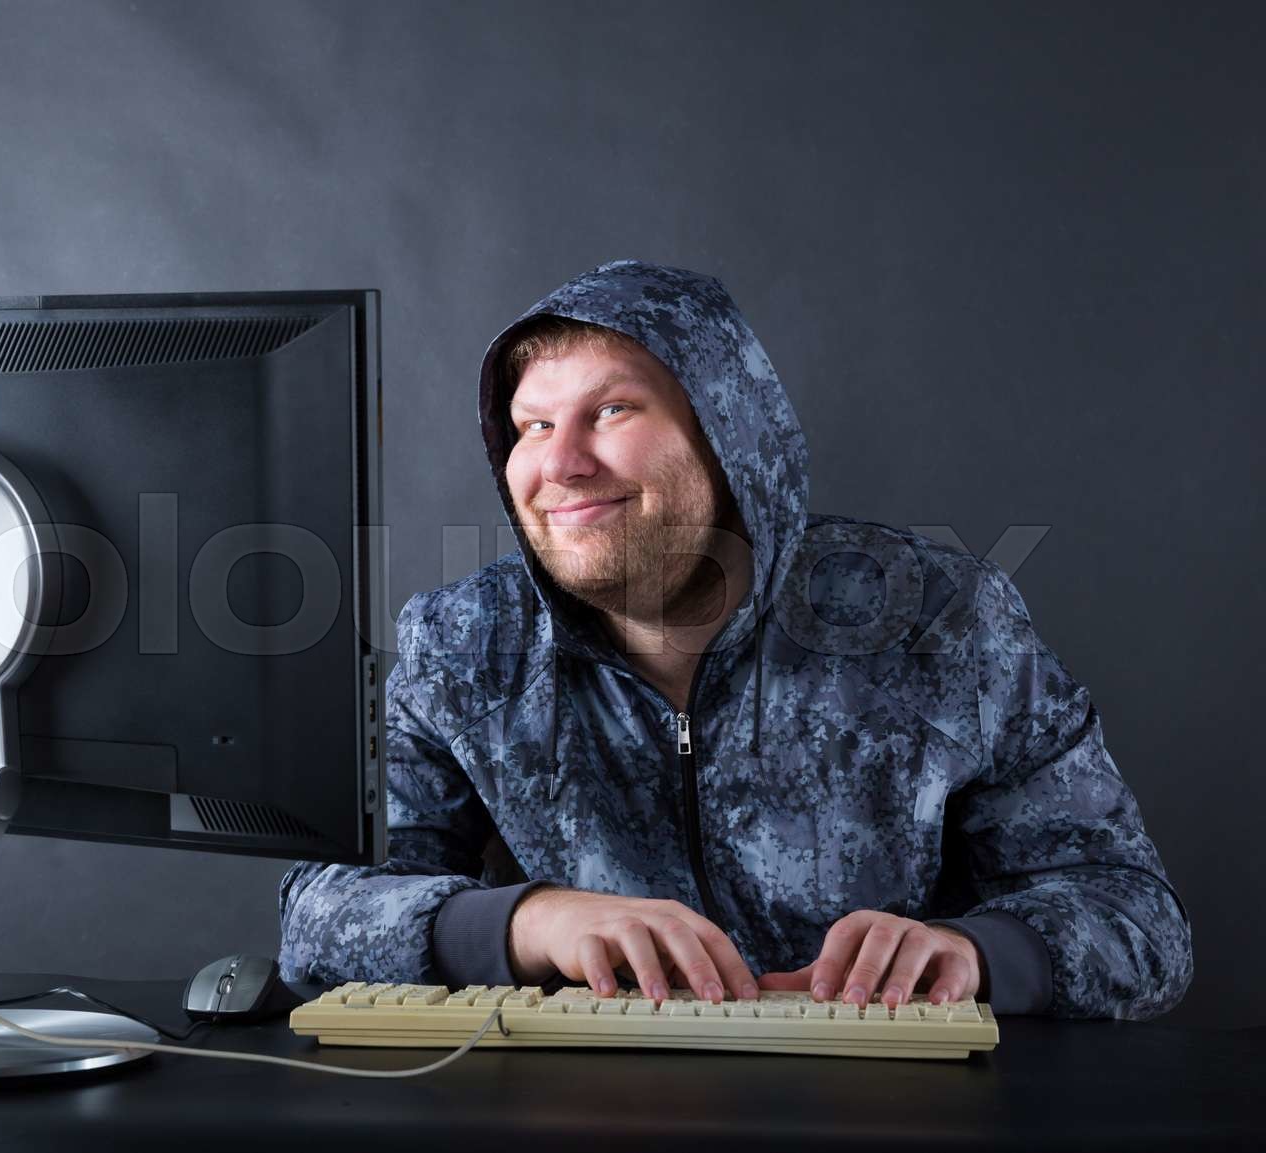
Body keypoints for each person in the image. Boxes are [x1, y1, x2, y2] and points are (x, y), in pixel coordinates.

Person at [278, 259, 1193, 1018]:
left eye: (611, 411)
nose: (558, 464)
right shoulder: (461, 646)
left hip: (887, 1118)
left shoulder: (943, 620)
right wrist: (530, 924)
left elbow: (1139, 917)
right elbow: (315, 919)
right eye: (533, 425)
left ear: (728, 437)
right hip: (585, 1119)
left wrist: (974, 953)